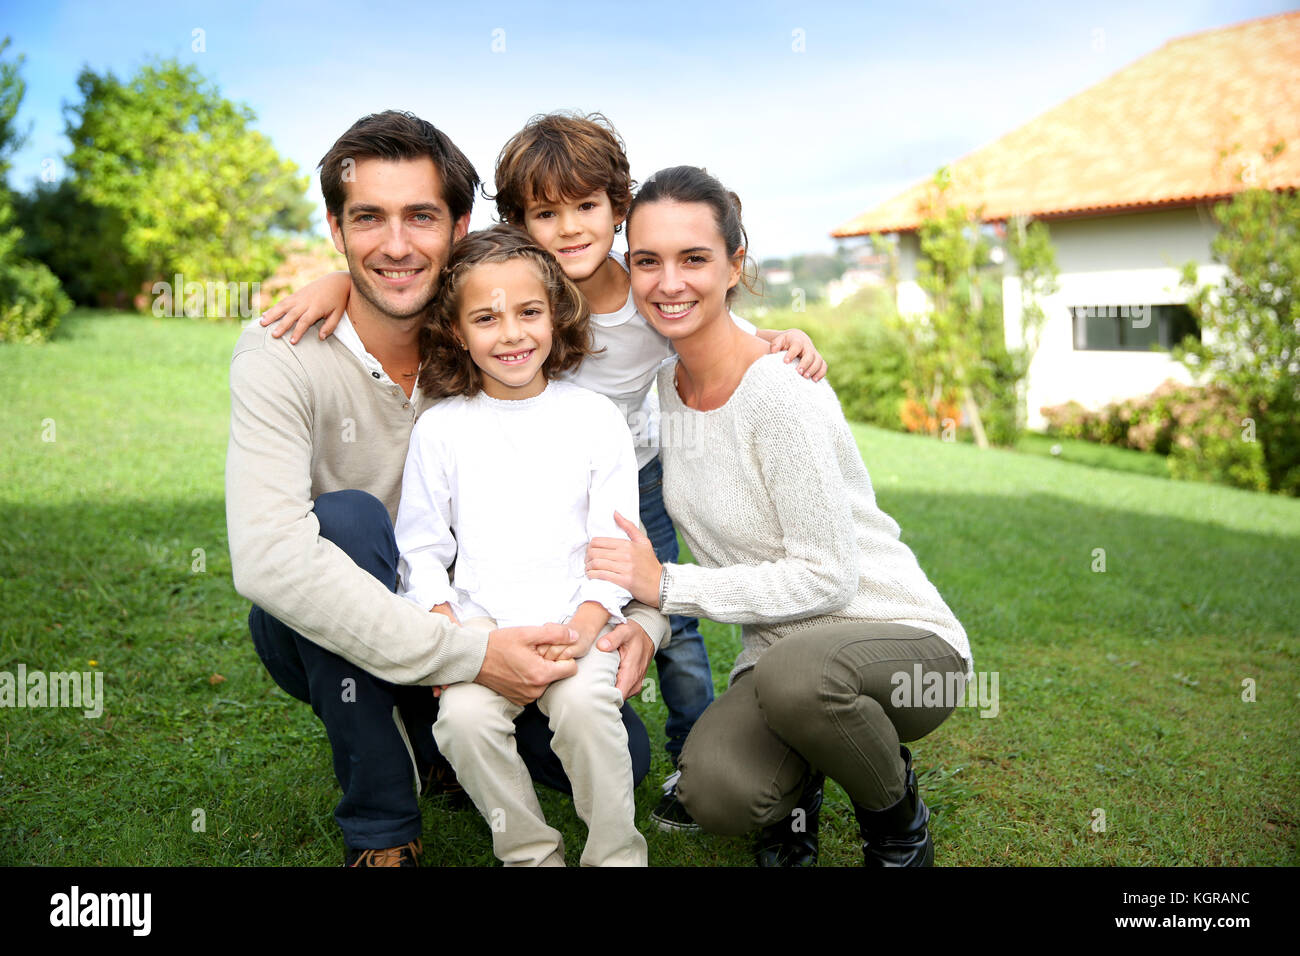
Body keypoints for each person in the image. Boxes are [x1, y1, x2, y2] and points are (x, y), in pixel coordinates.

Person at [260, 112, 828, 798]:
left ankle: (690, 746)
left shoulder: (646, 295)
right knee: (506, 583)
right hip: (521, 482)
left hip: (632, 477)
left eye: (586, 207)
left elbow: (706, 315)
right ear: (519, 224)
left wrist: (779, 334)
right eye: (545, 213)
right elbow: (420, 275)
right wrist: (337, 284)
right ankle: (470, 713)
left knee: (669, 619)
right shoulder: (513, 285)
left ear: (618, 209)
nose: (569, 228)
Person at [225, 110, 667, 867]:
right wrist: (464, 653)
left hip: (515, 618)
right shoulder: (284, 350)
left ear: (460, 228)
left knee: (615, 747)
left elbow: (614, 512)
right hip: (351, 628)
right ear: (336, 228)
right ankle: (385, 827)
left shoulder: (480, 330)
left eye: (421, 218)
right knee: (349, 521)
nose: (395, 245)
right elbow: (269, 561)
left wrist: (640, 622)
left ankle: (441, 747)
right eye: (368, 219)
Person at [585, 165, 974, 867]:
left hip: (903, 646)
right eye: (648, 261)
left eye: (694, 258)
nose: (669, 281)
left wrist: (666, 586)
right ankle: (803, 785)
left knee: (803, 679)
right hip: (779, 666)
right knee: (715, 791)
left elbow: (827, 578)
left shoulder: (781, 391)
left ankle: (896, 822)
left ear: (735, 264)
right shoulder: (663, 392)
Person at [398, 225, 651, 866]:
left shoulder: (594, 419)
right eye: (486, 318)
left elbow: (615, 542)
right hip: (484, 629)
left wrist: (588, 620)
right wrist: (443, 619)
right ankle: (531, 853)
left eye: (529, 312)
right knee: (463, 723)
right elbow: (422, 546)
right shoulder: (441, 429)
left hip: (578, 616)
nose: (511, 334)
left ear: (556, 316)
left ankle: (616, 854)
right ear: (457, 331)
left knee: (590, 710)